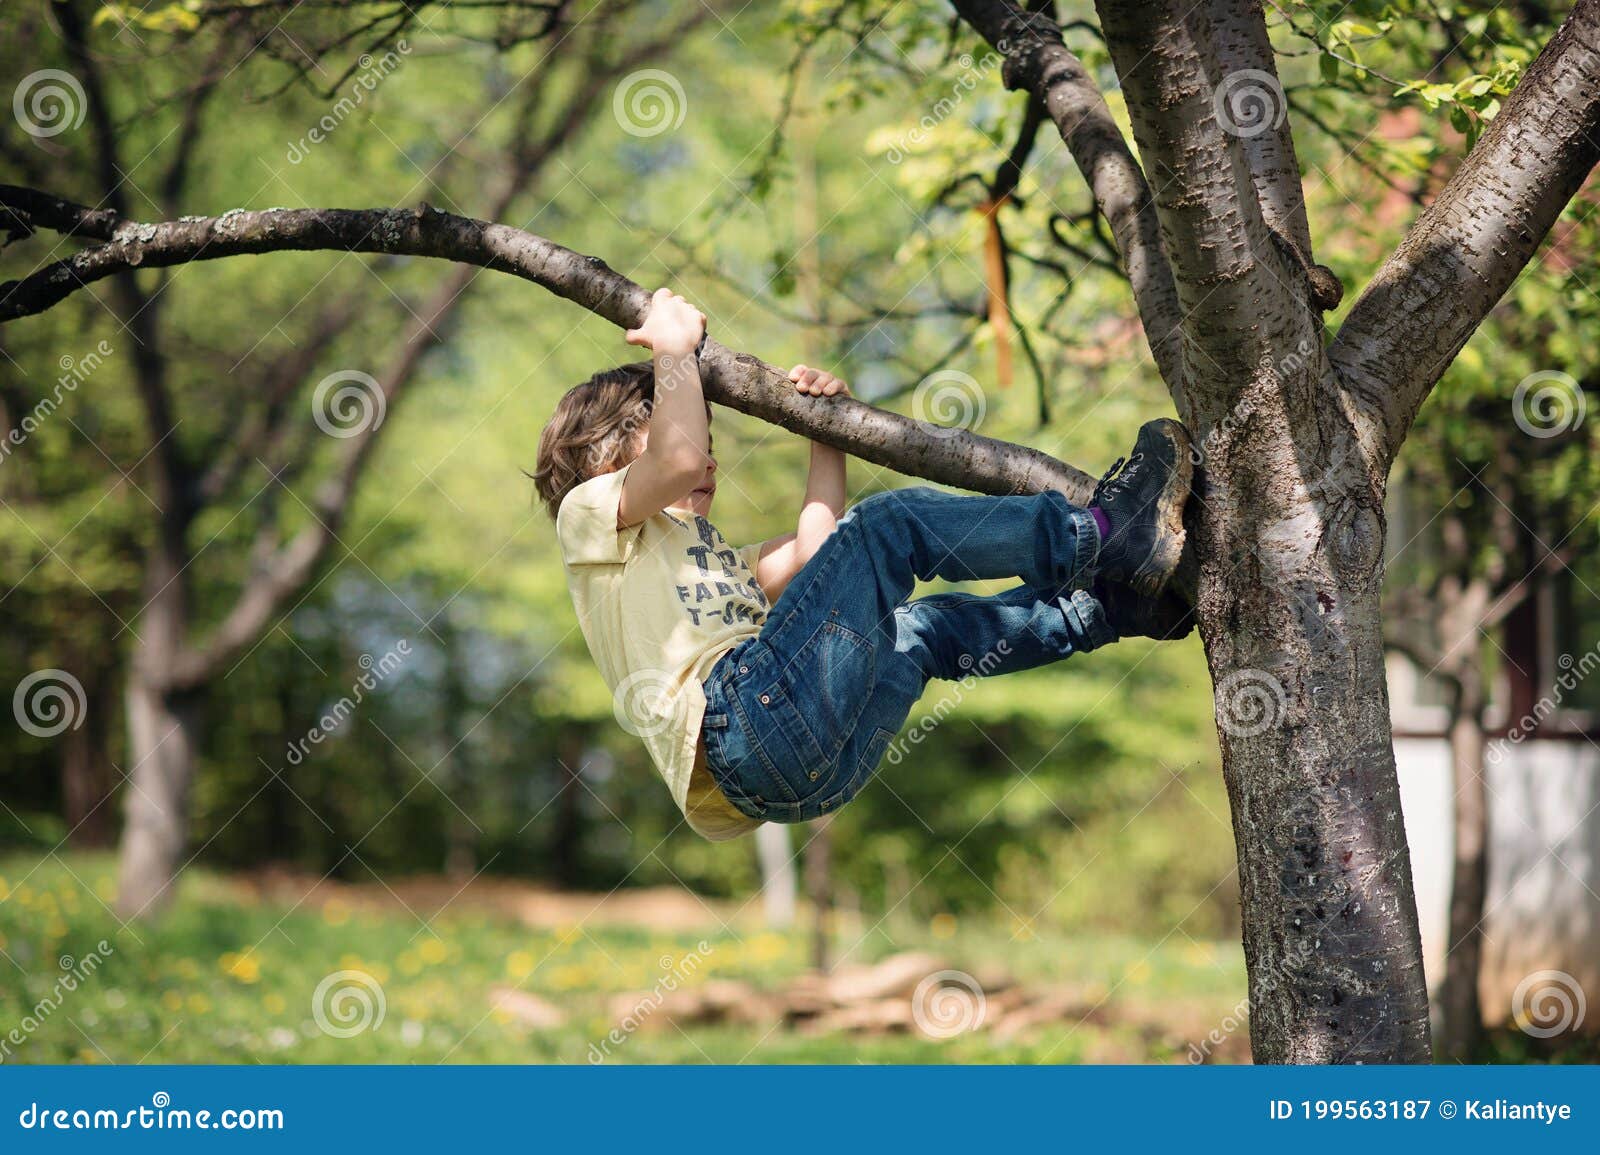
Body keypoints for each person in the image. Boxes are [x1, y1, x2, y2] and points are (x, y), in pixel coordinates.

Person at [534, 288, 1194, 841]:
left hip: (796, 774)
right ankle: (1109, 532)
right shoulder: (588, 521)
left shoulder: (709, 558)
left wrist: (828, 432)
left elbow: (822, 558)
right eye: (689, 427)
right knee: (887, 526)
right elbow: (675, 460)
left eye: (707, 438)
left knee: (917, 632)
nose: (707, 458)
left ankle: (1109, 607)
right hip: (744, 730)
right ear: (604, 453)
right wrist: (674, 351)